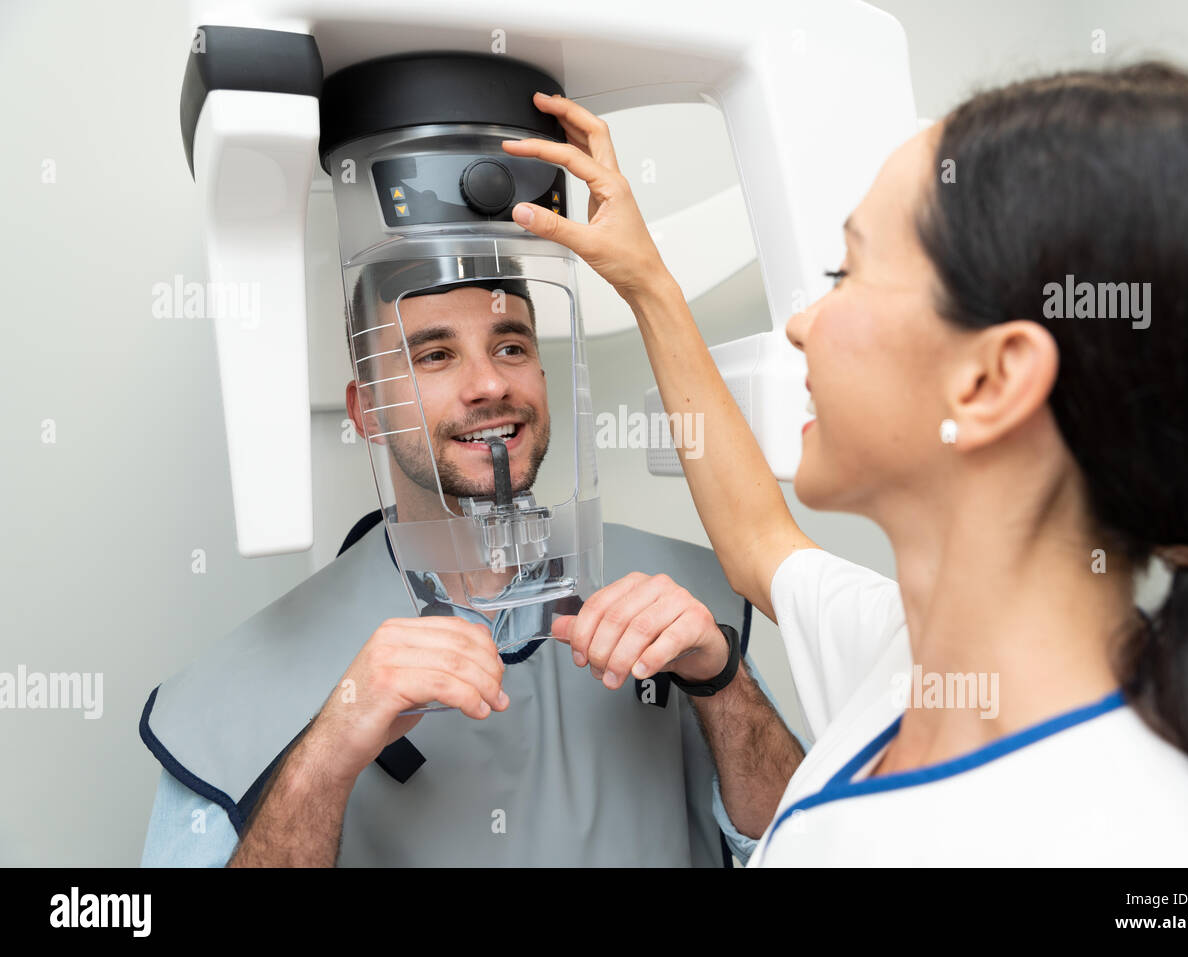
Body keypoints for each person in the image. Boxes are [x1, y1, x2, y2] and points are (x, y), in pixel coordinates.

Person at [502, 61, 1188, 865]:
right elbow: (756, 544)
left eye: (845, 274)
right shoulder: (915, 661)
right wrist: (646, 282)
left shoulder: (1134, 843)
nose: (802, 325)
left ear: (991, 379)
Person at [139, 275, 805, 867]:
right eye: (435, 354)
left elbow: (810, 846)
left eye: (512, 347)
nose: (489, 383)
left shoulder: (685, 604)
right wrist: (326, 754)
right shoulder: (244, 687)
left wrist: (724, 682)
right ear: (365, 410)